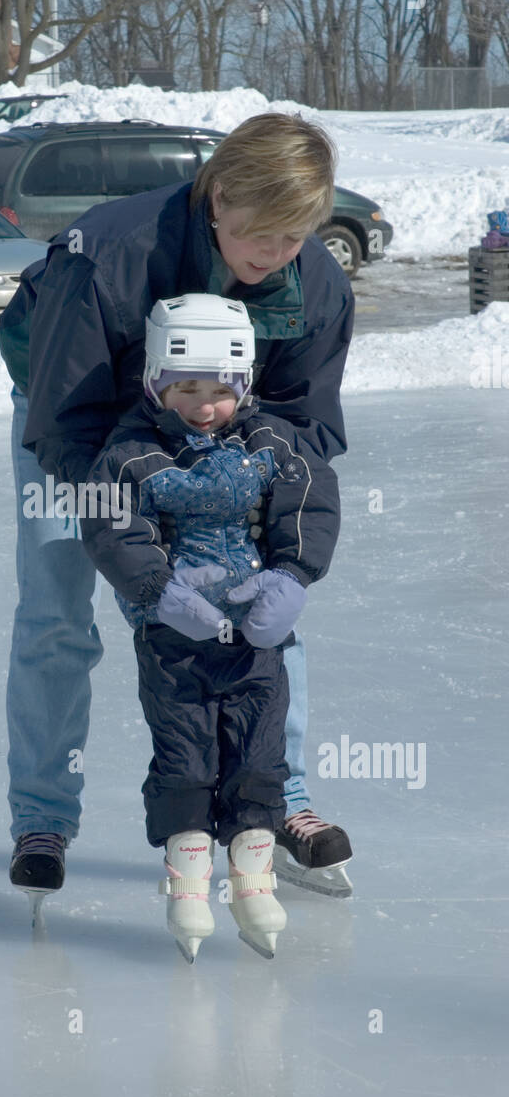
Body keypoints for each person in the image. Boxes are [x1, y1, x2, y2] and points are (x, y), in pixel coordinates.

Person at [0, 111, 355, 904]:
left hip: (222, 430)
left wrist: (283, 544)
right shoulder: (114, 256)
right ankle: (43, 818)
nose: (273, 258)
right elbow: (65, 421)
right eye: (260, 235)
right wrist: (142, 568)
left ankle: (283, 802)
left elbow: (304, 426)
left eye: (293, 239)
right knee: (58, 612)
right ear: (218, 195)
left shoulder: (314, 283)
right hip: (79, 421)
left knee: (260, 606)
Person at [75, 293, 341, 961]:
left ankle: (253, 882)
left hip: (256, 636)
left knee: (258, 755)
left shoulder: (270, 441)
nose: (203, 404)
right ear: (156, 383)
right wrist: (158, 593)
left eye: (219, 389)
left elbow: (309, 498)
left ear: (242, 385)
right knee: (186, 757)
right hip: (174, 645)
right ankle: (189, 884)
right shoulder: (129, 451)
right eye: (185, 387)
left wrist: (291, 577)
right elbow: (110, 525)